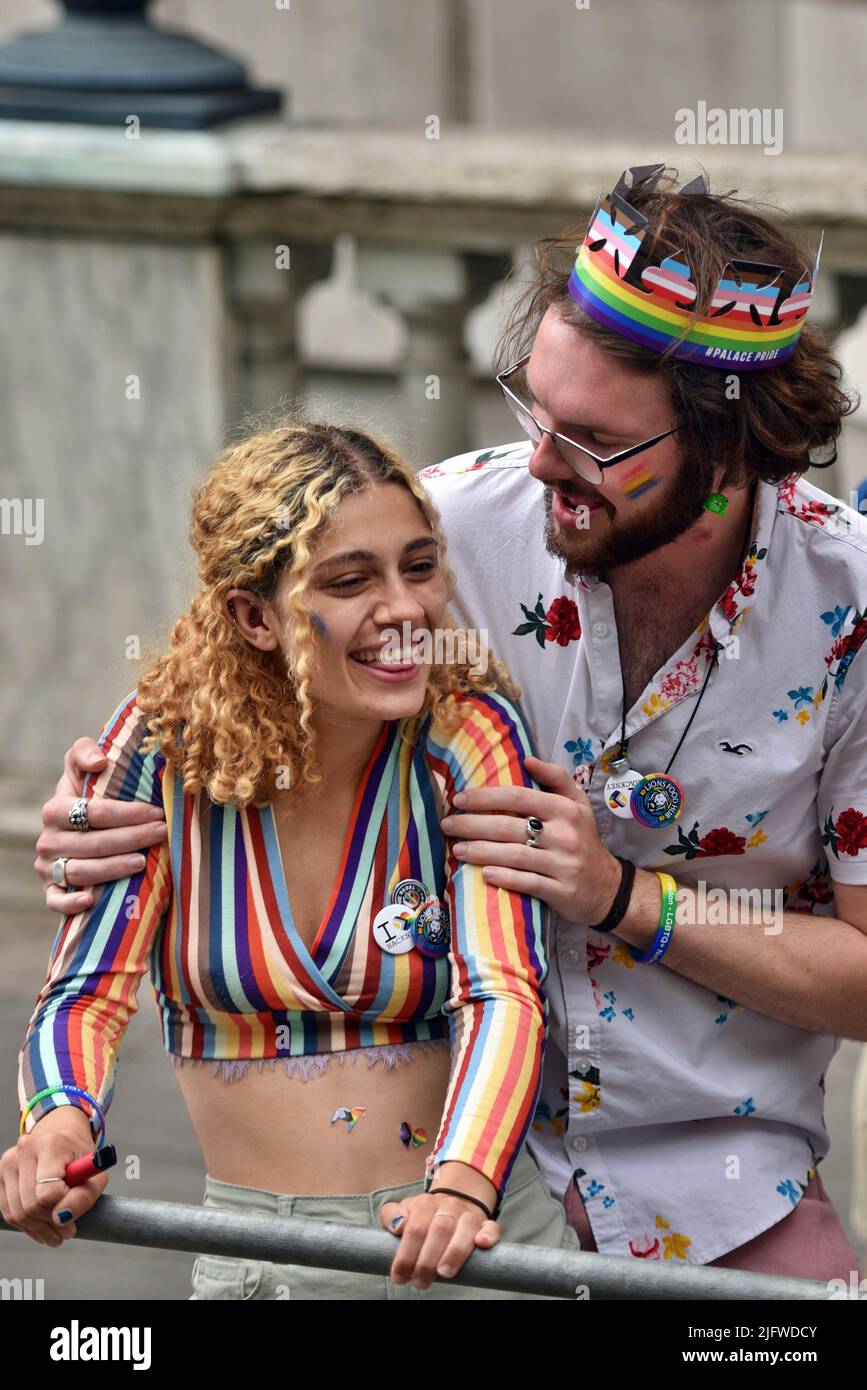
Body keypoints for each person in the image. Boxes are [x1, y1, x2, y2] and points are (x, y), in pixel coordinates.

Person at [33, 164, 867, 1281]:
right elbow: (240, 663)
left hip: (717, 1191)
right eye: (535, 407)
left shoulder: (848, 609)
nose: (539, 462)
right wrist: (109, 810)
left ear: (726, 445)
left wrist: (623, 898)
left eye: (595, 443)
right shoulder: (444, 534)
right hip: (440, 1187)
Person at [4, 420, 582, 1300]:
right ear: (252, 615)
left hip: (475, 1245)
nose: (405, 610)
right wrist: (56, 1126)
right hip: (260, 1264)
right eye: (350, 581)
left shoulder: (468, 734)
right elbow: (88, 990)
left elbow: (502, 986)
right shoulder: (161, 749)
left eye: (419, 567)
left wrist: (461, 1184)